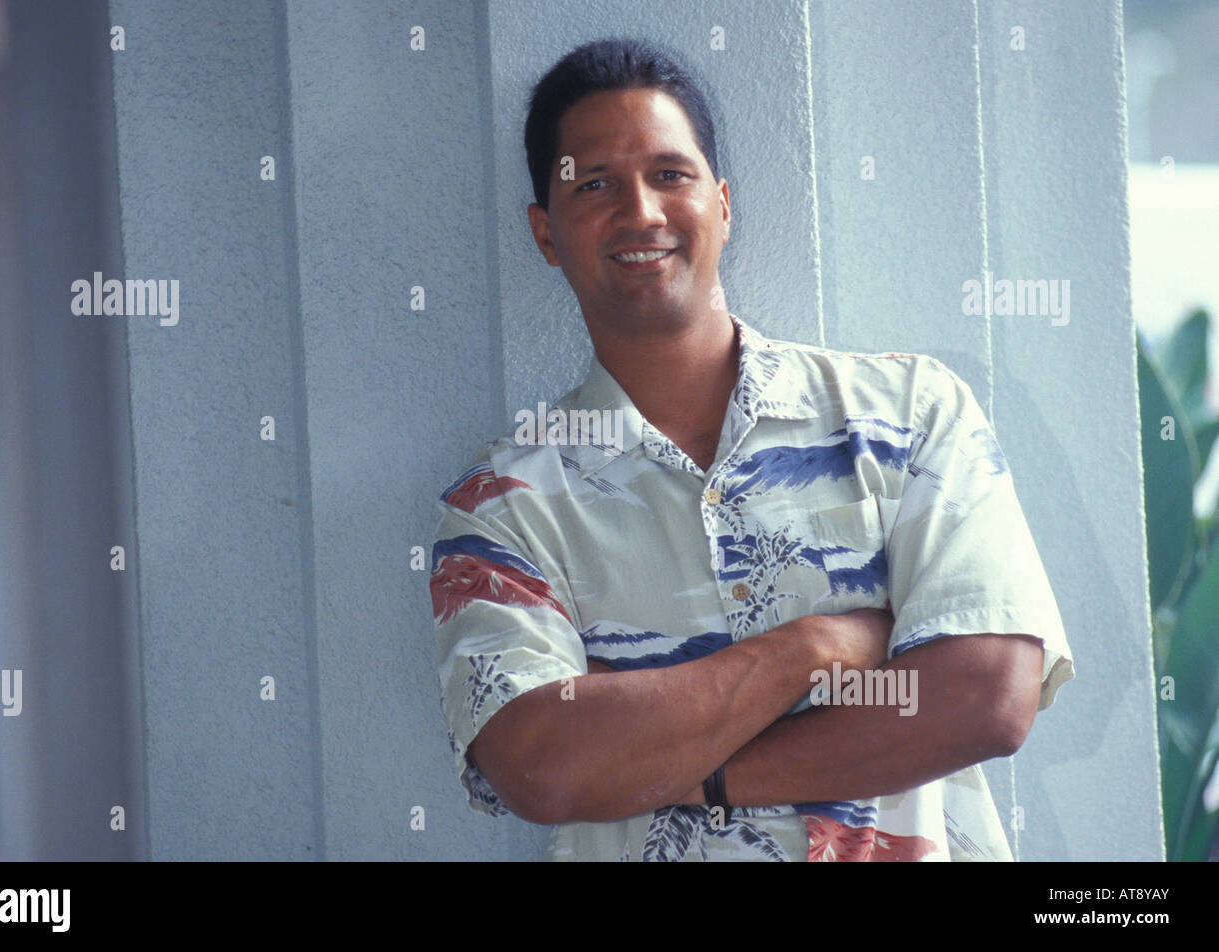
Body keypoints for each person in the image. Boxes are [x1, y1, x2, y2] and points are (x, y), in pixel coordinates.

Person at [427, 37, 1074, 861]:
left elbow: (986, 699)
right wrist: (815, 650)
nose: (642, 212)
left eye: (671, 174)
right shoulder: (501, 511)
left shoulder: (907, 413)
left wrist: (687, 771)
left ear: (723, 204)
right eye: (593, 185)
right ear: (546, 234)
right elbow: (543, 767)